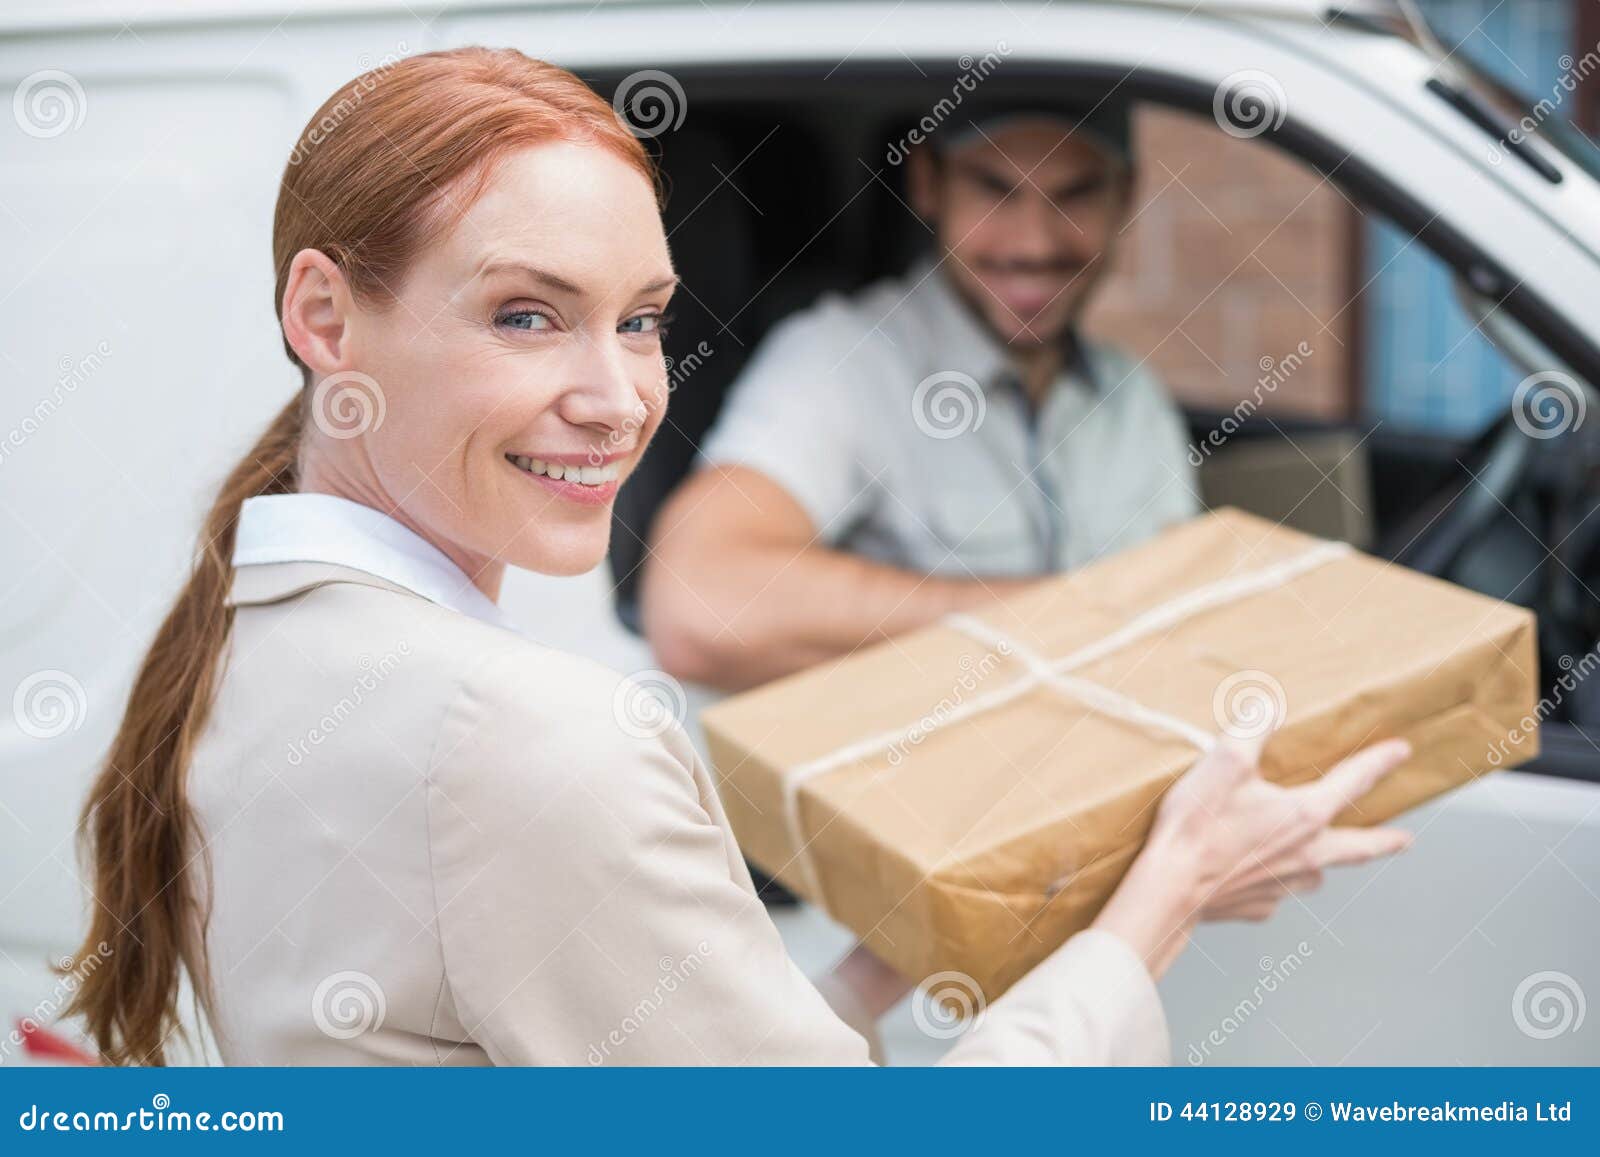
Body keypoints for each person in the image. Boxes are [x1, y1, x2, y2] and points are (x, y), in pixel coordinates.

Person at [66, 49, 1413, 1067]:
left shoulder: (254, 639)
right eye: (526, 315)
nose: (618, 400)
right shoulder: (527, 741)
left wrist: (862, 980)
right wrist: (1164, 900)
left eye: (642, 320)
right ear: (324, 316)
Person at [642, 102, 1197, 692]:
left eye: (1076, 195)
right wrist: (1053, 619)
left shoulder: (1134, 397)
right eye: (996, 191)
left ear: (1126, 198)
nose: (1035, 243)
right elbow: (699, 608)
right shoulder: (841, 361)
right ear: (929, 183)